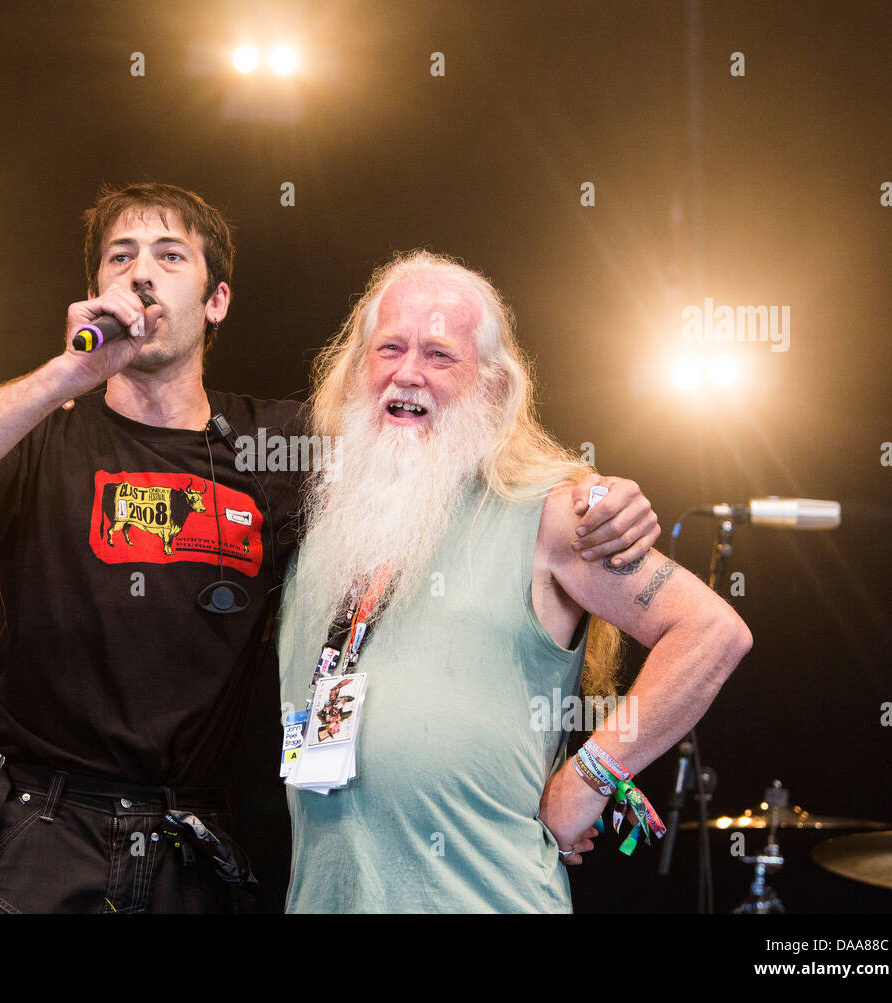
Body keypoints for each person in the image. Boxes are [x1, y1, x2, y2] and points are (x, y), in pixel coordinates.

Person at [0, 183, 661, 913]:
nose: (142, 271)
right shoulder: (41, 438)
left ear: (216, 301)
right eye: (121, 256)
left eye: (170, 254)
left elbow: (434, 446)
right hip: (38, 829)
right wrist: (67, 372)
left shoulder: (276, 445)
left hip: (186, 843)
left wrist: (591, 488)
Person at [278, 250, 753, 913]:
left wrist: (587, 781)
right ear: (359, 370)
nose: (407, 371)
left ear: (493, 388)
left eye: (439, 355)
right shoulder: (323, 527)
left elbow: (711, 630)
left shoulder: (550, 512)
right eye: (389, 348)